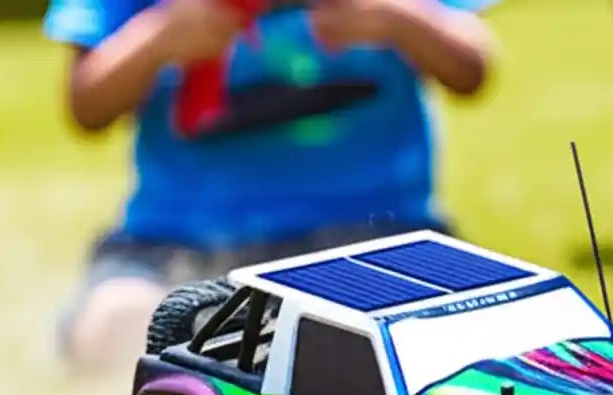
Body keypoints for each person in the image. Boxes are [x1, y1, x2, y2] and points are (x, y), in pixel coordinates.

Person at [43, 0, 498, 374]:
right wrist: (159, 38)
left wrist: (396, 20)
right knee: (121, 327)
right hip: (178, 245)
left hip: (379, 237)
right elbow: (87, 106)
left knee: (463, 341)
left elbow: (472, 70)